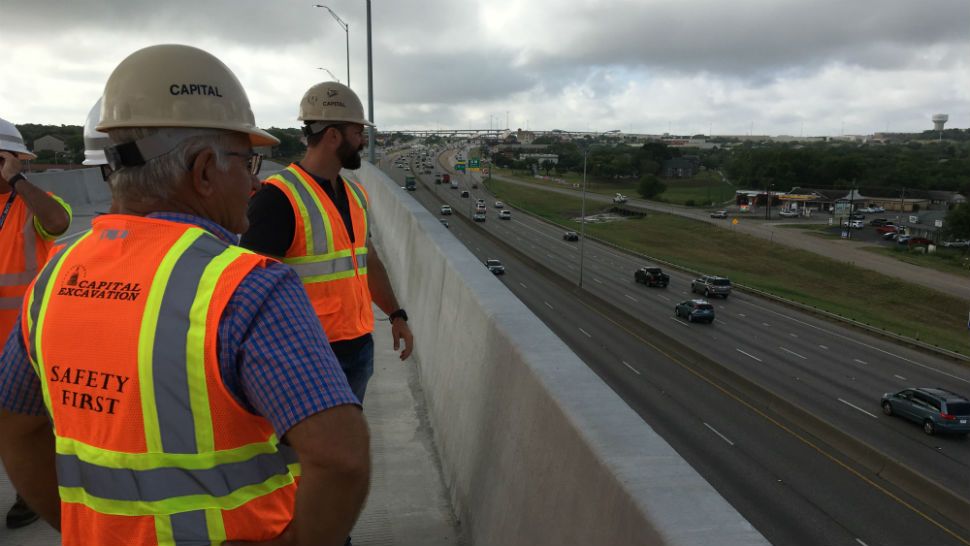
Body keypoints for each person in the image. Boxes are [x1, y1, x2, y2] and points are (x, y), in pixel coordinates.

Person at [0, 44, 369, 546]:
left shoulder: (54, 277)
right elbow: (341, 459)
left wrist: (78, 526)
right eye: (247, 161)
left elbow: (16, 428)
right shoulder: (247, 287)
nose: (253, 181)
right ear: (204, 170)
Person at [241, 81, 413, 403]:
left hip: (357, 347)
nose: (363, 140)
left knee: (349, 430)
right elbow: (250, 289)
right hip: (304, 356)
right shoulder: (277, 198)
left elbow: (367, 259)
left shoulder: (355, 195)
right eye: (357, 132)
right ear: (333, 136)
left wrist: (396, 314)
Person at [0, 117, 72, 530]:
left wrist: (16, 181)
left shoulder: (36, 203)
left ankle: (29, 496)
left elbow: (59, 223)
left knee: (31, 424)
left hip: (24, 338)